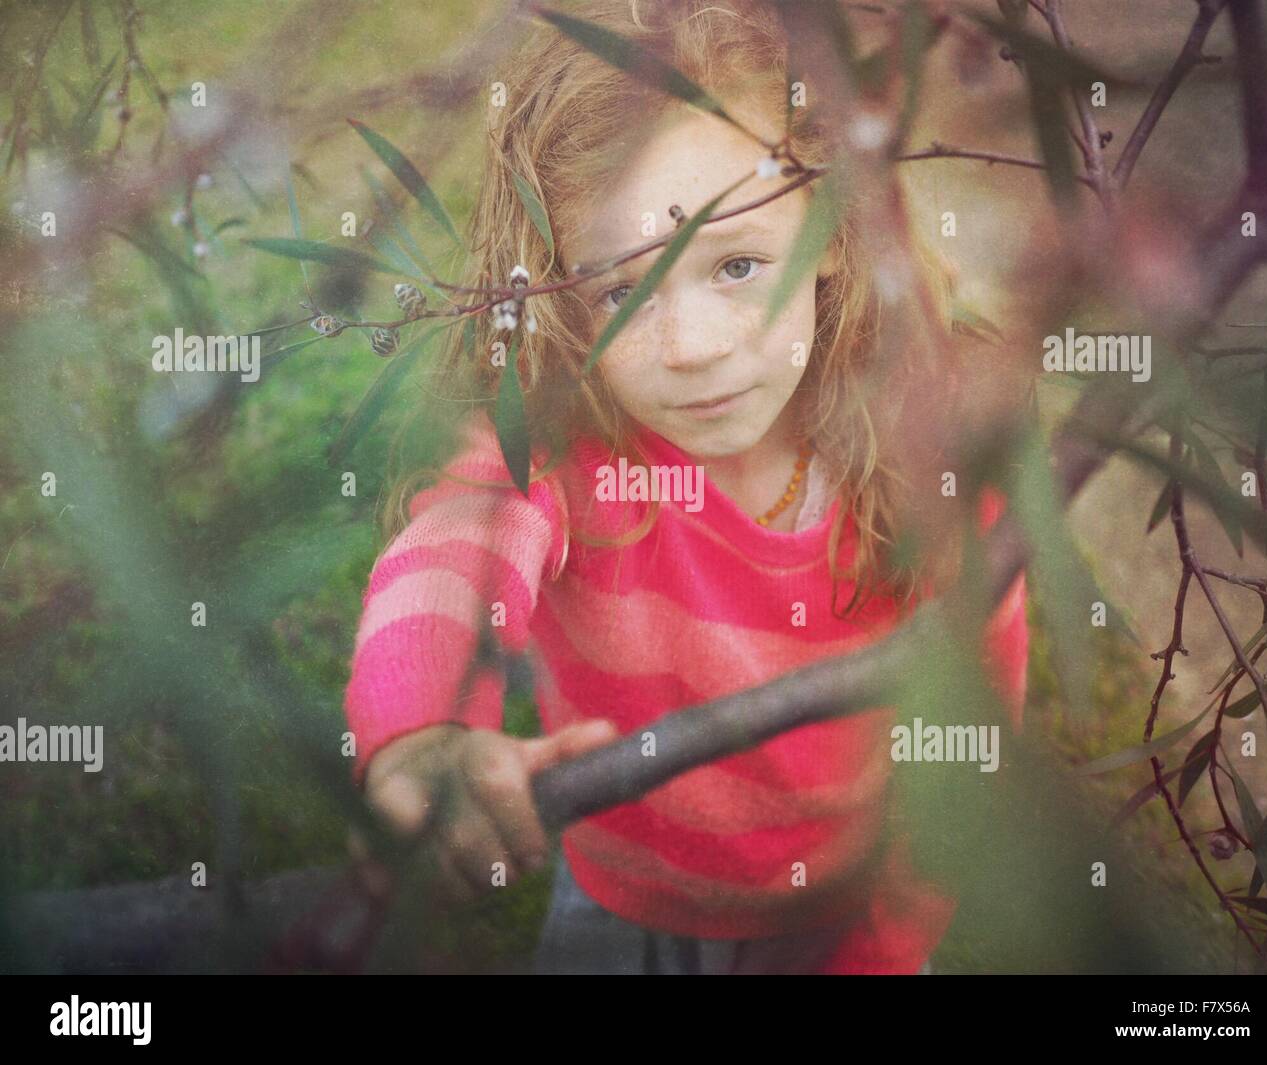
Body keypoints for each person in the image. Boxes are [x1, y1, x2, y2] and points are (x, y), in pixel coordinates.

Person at [344, 0, 1028, 974]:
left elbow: (970, 721)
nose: (694, 350)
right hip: (621, 896)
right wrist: (421, 734)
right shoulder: (559, 441)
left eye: (738, 264)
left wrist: (887, 935)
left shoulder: (930, 451)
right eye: (620, 290)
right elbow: (457, 548)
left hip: (839, 916)